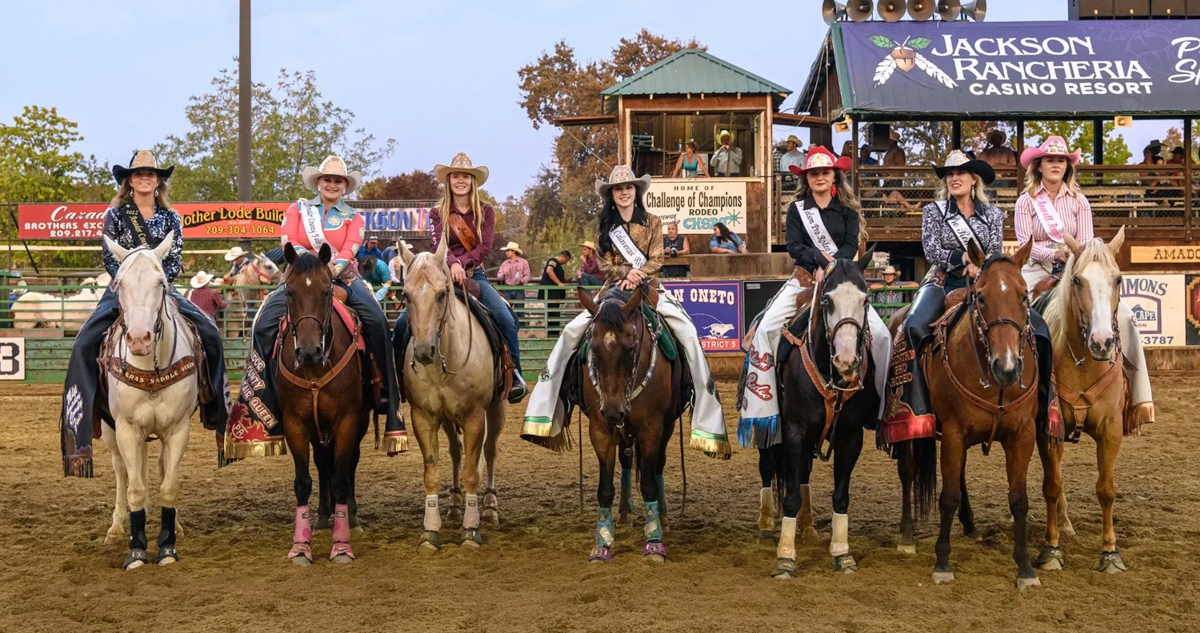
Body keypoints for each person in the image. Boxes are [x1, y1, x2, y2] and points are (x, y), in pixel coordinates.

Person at [521, 164, 731, 458]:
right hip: (612, 288)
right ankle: (559, 402)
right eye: (618, 189)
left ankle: (699, 401)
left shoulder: (655, 222)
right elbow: (604, 264)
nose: (623, 193)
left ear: (636, 192)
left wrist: (638, 274)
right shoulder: (605, 226)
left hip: (650, 288)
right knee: (571, 333)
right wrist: (625, 273)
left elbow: (657, 259)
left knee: (688, 333)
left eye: (628, 188)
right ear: (612, 194)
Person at [60, 150, 231, 477]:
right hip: (123, 288)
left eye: (150, 174)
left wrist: (157, 279)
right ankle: (83, 425)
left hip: (160, 287)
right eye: (138, 174)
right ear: (129, 180)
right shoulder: (115, 215)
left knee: (209, 331)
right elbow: (109, 258)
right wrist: (130, 276)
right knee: (83, 344)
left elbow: (175, 256)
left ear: (158, 181)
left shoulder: (171, 217)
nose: (144, 178)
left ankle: (215, 410)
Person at [227, 155, 405, 457]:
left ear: (345, 186)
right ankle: (266, 396)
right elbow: (289, 241)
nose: (333, 184)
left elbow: (350, 248)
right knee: (263, 324)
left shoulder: (354, 217)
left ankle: (385, 390)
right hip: (298, 277)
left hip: (343, 278)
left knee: (376, 321)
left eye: (338, 181)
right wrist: (310, 266)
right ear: (318, 183)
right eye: (327, 180)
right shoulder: (297, 209)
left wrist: (330, 270)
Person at [884, 149, 1056, 443]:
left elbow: (996, 251)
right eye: (950, 174)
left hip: (985, 282)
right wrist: (963, 258)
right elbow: (932, 250)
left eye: (960, 173)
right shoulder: (933, 212)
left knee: (1039, 328)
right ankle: (916, 407)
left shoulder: (992, 214)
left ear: (973, 179)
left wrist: (981, 267)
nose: (954, 178)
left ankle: (1043, 405)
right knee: (912, 326)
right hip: (942, 281)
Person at [739, 146, 892, 445]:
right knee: (767, 328)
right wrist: (820, 264)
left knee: (883, 337)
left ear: (834, 175)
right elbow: (794, 246)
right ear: (806, 178)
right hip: (804, 279)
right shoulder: (797, 210)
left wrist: (834, 269)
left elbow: (850, 245)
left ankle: (881, 409)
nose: (819, 177)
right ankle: (765, 408)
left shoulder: (848, 211)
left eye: (824, 172)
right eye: (813, 173)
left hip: (843, 282)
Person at [1015, 136, 1154, 427]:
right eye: (1050, 160)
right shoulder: (1026, 201)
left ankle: (1140, 398)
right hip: (1036, 269)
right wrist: (1054, 252)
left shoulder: (1080, 201)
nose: (1055, 164)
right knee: (1017, 318)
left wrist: (1075, 257)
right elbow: (1024, 244)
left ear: (1067, 167)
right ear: (1039, 166)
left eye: (1061, 160)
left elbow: (1089, 244)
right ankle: (1020, 388)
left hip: (1077, 270)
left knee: (1125, 318)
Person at [393, 153, 527, 403]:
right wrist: (452, 264)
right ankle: (398, 381)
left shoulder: (485, 212)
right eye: (456, 176)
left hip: (475, 274)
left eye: (465, 176)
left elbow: (485, 248)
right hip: (440, 274)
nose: (461, 180)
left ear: (473, 180)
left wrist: (463, 264)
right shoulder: (437, 213)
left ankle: (514, 373)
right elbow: (437, 244)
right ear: (449, 180)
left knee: (506, 319)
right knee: (402, 324)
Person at [882, 129, 916, 211]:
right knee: (890, 196)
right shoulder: (889, 152)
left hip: (894, 179)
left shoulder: (898, 151)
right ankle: (905, 209)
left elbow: (900, 167)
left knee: (894, 194)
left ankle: (907, 208)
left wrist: (892, 176)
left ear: (892, 141)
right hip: (887, 180)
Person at [540, 250, 571, 337]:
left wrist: (564, 281)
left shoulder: (557, 265)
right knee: (553, 314)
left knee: (554, 314)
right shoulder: (553, 261)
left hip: (553, 294)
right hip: (551, 294)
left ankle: (553, 334)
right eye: (566, 260)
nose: (565, 262)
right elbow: (549, 271)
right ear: (563, 257)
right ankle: (552, 335)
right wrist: (559, 283)